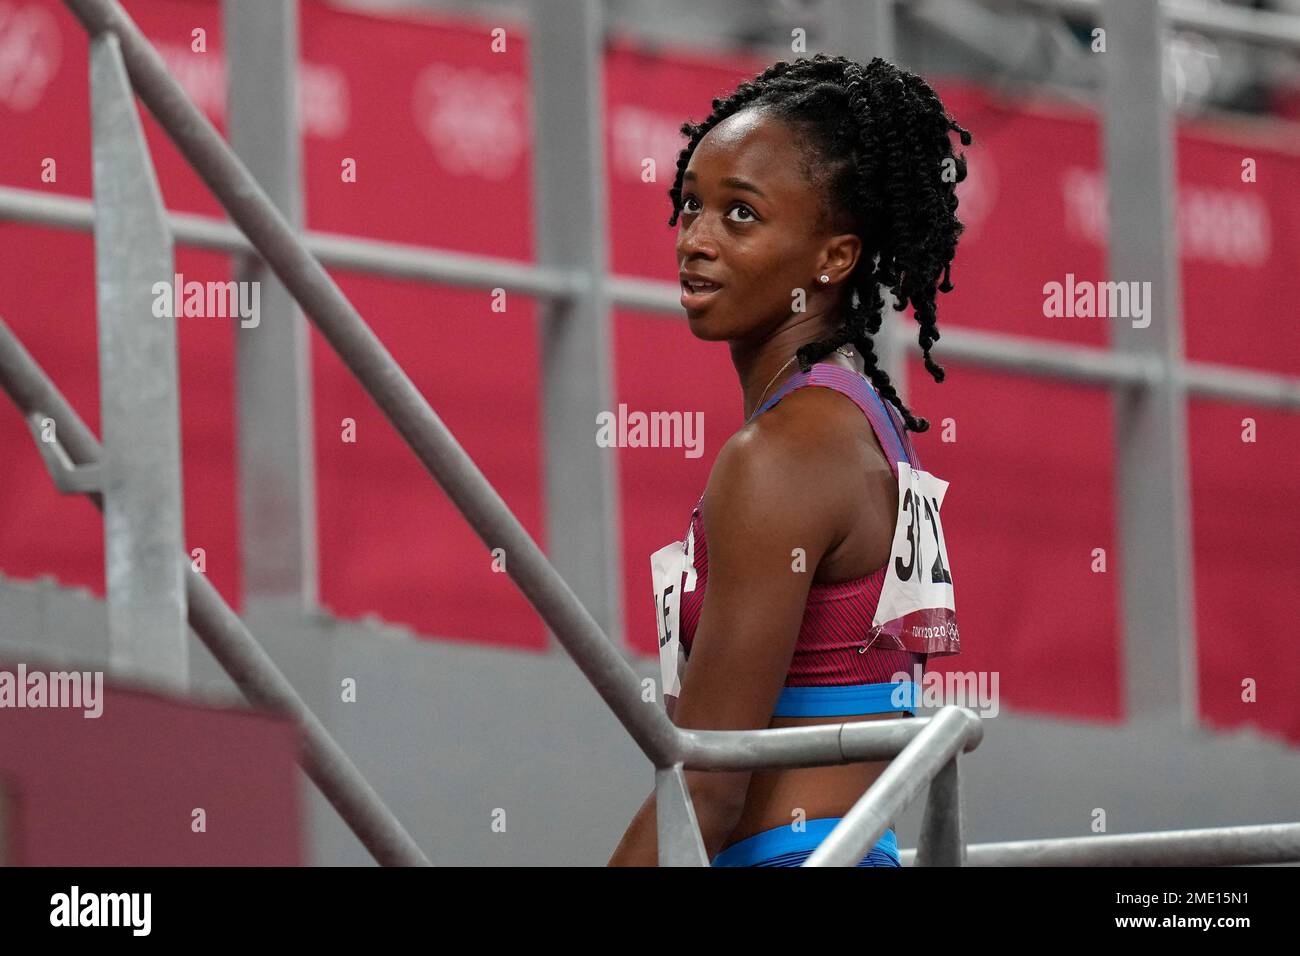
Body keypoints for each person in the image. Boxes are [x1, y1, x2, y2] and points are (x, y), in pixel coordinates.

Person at [608, 54, 969, 867]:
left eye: (741, 215)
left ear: (833, 259)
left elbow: (709, 789)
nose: (695, 241)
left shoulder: (780, 455)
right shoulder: (855, 422)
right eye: (692, 205)